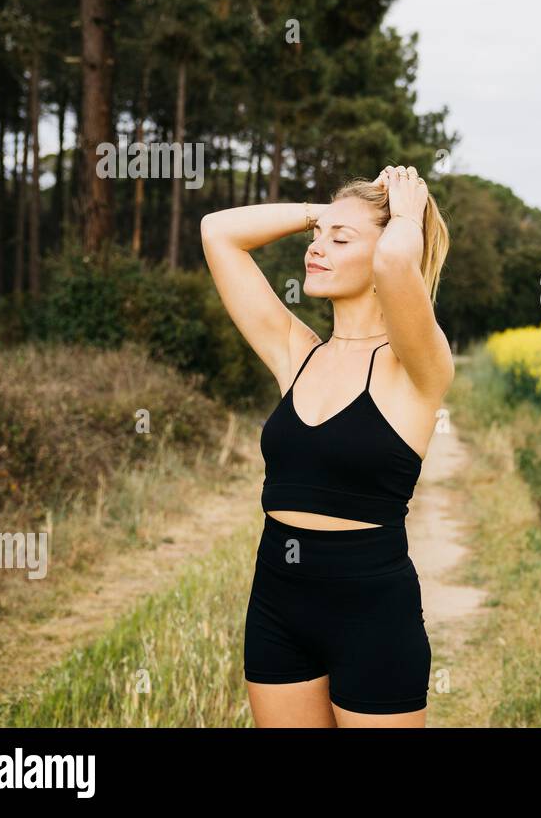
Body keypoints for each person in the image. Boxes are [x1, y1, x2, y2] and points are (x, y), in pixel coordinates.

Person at [200, 164, 453, 727]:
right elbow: (218, 230)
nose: (317, 247)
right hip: (277, 601)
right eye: (318, 236)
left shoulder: (417, 366)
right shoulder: (298, 352)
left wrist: (408, 215)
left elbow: (393, 264)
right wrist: (323, 213)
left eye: (340, 240)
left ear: (390, 246)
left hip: (372, 614)